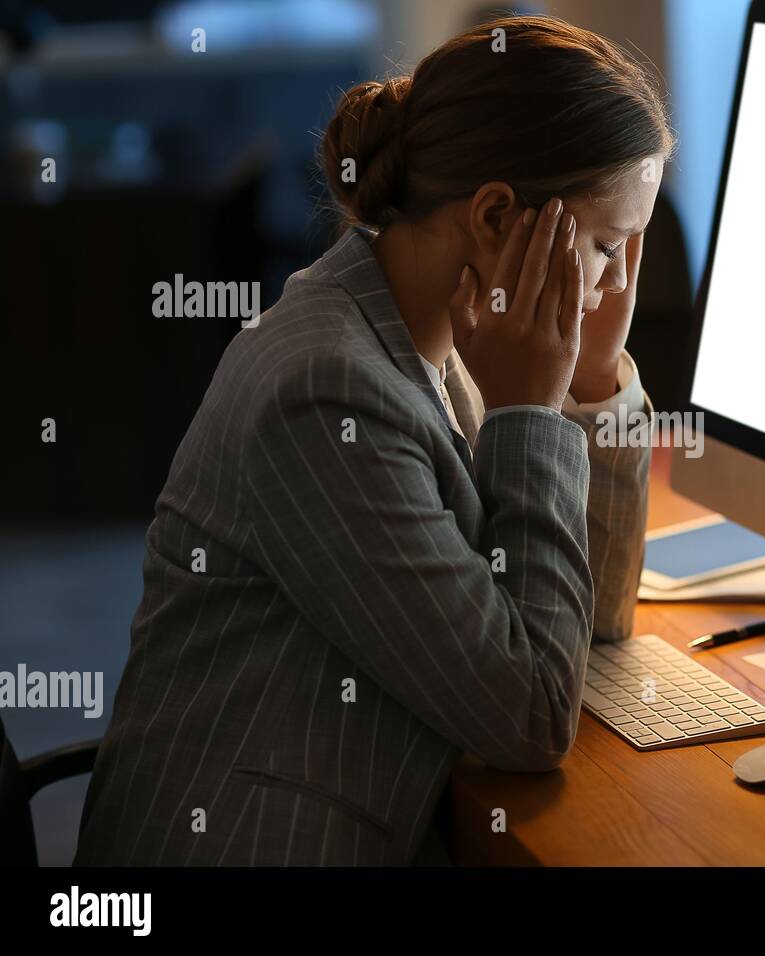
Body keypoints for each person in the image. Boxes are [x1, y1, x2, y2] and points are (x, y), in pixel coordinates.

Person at [75, 15, 673, 866]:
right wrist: (529, 415)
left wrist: (595, 374)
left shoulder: (449, 334)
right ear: (498, 215)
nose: (619, 281)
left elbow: (595, 628)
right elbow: (532, 715)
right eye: (609, 246)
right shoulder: (326, 391)